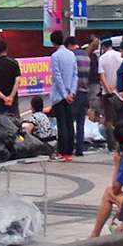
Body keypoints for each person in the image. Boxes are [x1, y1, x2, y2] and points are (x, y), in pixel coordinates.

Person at [47, 32, 78, 161]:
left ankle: (62, 152)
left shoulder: (55, 56)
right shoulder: (71, 55)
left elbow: (57, 77)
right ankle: (70, 152)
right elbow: (75, 75)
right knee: (70, 123)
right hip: (70, 94)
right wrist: (72, 92)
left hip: (59, 96)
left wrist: (64, 94)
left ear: (53, 42)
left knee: (62, 124)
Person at [0, 42, 21, 121]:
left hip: (0, 102)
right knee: (16, 123)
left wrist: (4, 98)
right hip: (13, 101)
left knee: (2, 124)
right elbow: (17, 81)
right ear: (6, 49)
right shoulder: (14, 63)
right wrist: (11, 97)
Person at [97, 38, 123, 124]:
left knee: (109, 118)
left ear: (103, 46)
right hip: (119, 92)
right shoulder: (120, 56)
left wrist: (108, 90)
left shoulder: (102, 58)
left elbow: (102, 76)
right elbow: (122, 74)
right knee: (119, 116)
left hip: (106, 93)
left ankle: (110, 136)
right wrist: (114, 86)